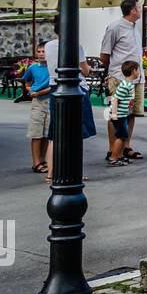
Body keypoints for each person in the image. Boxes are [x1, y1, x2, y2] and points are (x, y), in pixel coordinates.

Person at [43, 19, 93, 182]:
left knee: (55, 132)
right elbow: (84, 70)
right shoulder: (76, 46)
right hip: (75, 89)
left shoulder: (48, 46)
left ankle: (51, 172)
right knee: (75, 132)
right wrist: (89, 68)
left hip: (54, 88)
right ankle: (74, 172)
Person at [100, 0, 145, 159]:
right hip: (120, 78)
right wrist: (113, 72)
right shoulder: (115, 27)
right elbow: (104, 55)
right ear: (133, 10)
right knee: (116, 113)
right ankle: (113, 150)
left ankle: (125, 147)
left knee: (131, 113)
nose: (140, 10)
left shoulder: (134, 28)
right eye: (139, 8)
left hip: (136, 78)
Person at [21, 45, 51, 174]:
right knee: (36, 132)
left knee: (46, 133)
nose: (41, 54)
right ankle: (36, 162)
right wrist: (30, 90)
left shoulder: (53, 68)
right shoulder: (32, 68)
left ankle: (43, 160)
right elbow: (26, 82)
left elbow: (54, 85)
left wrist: (39, 92)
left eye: (44, 51)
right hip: (38, 102)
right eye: (39, 52)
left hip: (50, 101)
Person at [106, 59, 140, 167]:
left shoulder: (129, 84)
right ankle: (113, 157)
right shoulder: (125, 85)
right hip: (119, 115)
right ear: (133, 71)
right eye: (138, 70)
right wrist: (114, 114)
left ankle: (120, 156)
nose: (139, 72)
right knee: (121, 137)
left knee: (123, 137)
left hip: (123, 114)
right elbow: (115, 99)